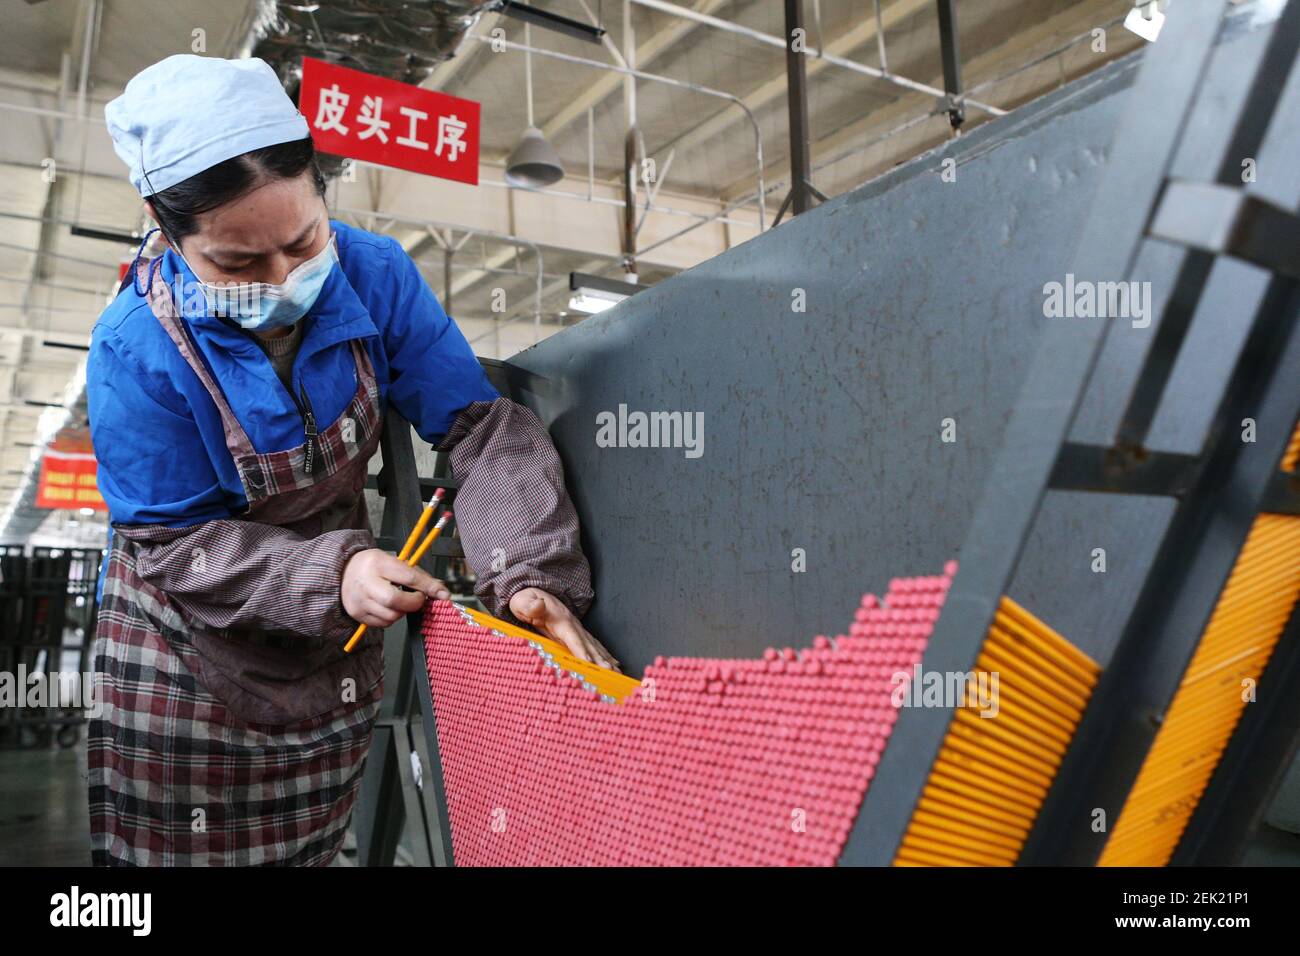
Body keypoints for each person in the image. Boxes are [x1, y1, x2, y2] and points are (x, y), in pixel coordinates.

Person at [86, 54, 616, 866]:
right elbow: (175, 542)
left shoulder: (373, 277)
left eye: (303, 241)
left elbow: (479, 428)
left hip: (332, 639)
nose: (284, 280)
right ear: (165, 227)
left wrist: (531, 573)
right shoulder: (135, 348)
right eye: (237, 265)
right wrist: (332, 574)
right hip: (186, 650)